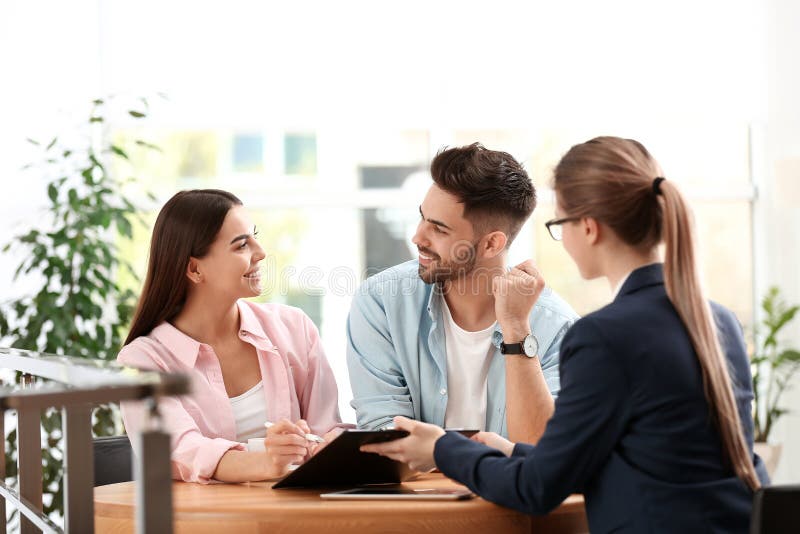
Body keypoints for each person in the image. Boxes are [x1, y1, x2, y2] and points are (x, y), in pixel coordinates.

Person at [362, 137, 769, 533]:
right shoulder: (720, 322)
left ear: (588, 228)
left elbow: (539, 489)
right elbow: (643, 461)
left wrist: (442, 448)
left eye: (560, 225)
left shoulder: (602, 336)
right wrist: (514, 452)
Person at [347, 143, 577, 443]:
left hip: (507, 491)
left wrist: (517, 329)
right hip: (413, 491)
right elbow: (382, 431)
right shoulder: (382, 303)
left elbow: (544, 449)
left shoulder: (557, 327)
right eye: (422, 217)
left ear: (491, 244)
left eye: (439, 229)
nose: (417, 237)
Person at [118, 189, 343, 484]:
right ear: (195, 269)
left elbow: (328, 431)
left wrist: (316, 444)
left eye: (255, 237)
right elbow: (182, 451)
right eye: (241, 246)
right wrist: (267, 460)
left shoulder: (294, 328)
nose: (261, 253)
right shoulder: (143, 361)